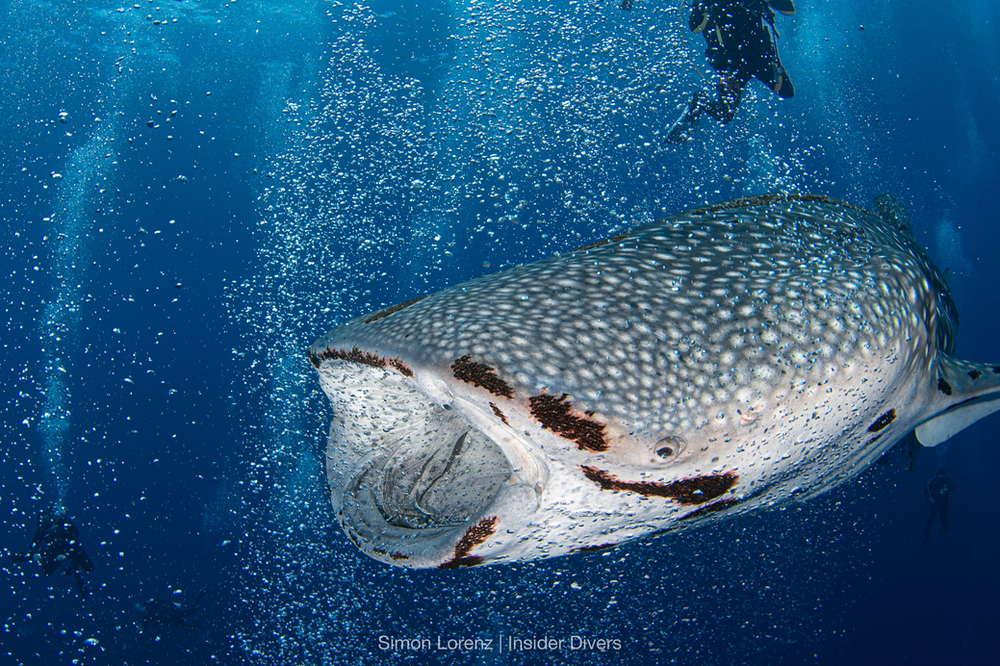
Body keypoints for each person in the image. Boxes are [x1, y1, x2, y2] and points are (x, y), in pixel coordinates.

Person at [667, 0, 796, 143]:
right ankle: (699, 101)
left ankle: (701, 102)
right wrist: (702, 5)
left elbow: (789, 10)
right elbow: (696, 27)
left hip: (759, 56)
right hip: (731, 64)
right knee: (724, 115)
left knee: (786, 91)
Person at [8, 507, 94, 596]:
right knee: (46, 571)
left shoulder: (61, 524)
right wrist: (35, 555)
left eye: (48, 522)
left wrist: (66, 555)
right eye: (45, 524)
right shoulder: (41, 531)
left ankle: (74, 565)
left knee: (90, 568)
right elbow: (33, 546)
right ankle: (14, 557)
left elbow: (76, 536)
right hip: (55, 552)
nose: (48, 527)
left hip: (70, 549)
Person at [137, 588, 210, 632]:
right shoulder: (151, 609)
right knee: (191, 625)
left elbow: (147, 619)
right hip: (172, 617)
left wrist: (143, 629)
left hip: (173, 614)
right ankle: (197, 622)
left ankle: (201, 594)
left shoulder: (150, 608)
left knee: (192, 613)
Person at [923, 468, 955, 543]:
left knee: (940, 516)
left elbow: (952, 487)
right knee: (935, 517)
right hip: (937, 501)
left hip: (942, 502)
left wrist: (946, 489)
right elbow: (926, 490)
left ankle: (944, 527)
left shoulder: (946, 482)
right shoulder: (933, 481)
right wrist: (931, 499)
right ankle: (942, 527)